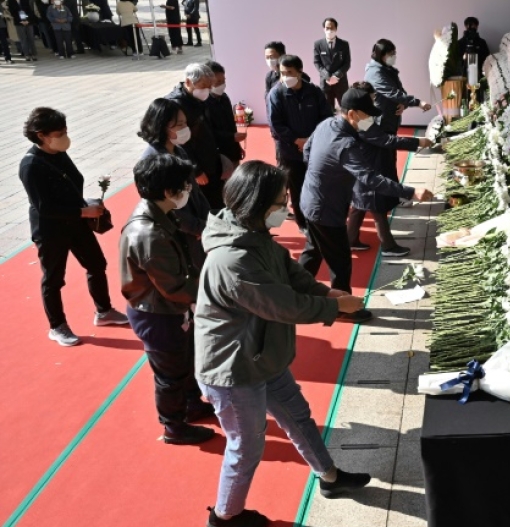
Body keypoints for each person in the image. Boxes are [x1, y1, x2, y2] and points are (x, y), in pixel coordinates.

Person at [195, 161, 371, 527]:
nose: (285, 208)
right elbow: (283, 305)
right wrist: (334, 307)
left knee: (298, 417)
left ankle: (329, 477)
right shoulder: (232, 259)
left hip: (263, 355)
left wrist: (326, 292)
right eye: (279, 202)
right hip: (234, 368)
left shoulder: (255, 235)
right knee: (246, 448)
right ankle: (226, 517)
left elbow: (291, 275)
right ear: (256, 205)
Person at [299, 88, 433, 322]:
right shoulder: (345, 143)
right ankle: (343, 309)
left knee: (313, 250)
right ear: (352, 114)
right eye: (367, 115)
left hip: (310, 199)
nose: (370, 119)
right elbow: (371, 179)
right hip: (325, 209)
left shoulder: (327, 124)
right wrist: (411, 192)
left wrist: (320, 175)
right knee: (340, 262)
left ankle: (294, 292)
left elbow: (308, 151)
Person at [119, 154, 216, 445]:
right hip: (158, 313)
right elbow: (174, 287)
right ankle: (173, 425)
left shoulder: (161, 213)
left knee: (185, 360)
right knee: (170, 372)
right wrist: (218, 289)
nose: (189, 190)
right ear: (168, 191)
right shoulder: (149, 233)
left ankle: (191, 404)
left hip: (169, 308)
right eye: (185, 185)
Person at [19, 107, 129, 347]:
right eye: (59, 132)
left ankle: (104, 311)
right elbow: (44, 207)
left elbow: (69, 184)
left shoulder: (59, 153)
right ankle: (57, 325)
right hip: (51, 230)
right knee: (54, 279)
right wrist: (82, 211)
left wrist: (88, 204)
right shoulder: (31, 166)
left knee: (96, 264)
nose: (65, 136)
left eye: (65, 130)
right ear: (41, 135)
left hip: (76, 222)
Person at [342, 81, 432, 256]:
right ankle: (388, 246)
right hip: (371, 165)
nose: (374, 101)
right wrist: (417, 141)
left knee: (359, 205)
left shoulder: (361, 117)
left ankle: (350, 239)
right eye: (372, 98)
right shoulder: (363, 121)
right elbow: (385, 139)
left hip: (365, 165)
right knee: (377, 207)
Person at [364, 39, 432, 235]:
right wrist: (416, 102)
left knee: (389, 158)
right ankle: (391, 196)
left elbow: (397, 91)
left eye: (394, 52)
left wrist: (402, 102)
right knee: (383, 160)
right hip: (381, 123)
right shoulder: (375, 72)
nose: (393, 56)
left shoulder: (386, 69)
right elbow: (390, 92)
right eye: (390, 53)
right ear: (380, 54)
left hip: (390, 120)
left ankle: (394, 195)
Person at [139, 97, 211, 270]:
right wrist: (196, 228)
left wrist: (207, 221)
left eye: (185, 123)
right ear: (161, 126)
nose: (185, 129)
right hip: (178, 234)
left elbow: (195, 191)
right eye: (178, 125)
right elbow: (167, 207)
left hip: (196, 229)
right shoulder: (154, 160)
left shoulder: (179, 150)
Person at [267, 54, 331, 231]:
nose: (285, 76)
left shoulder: (314, 92)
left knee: (317, 185)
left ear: (300, 72)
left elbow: (326, 118)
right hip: (289, 152)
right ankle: (303, 224)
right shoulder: (276, 94)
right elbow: (275, 125)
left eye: (289, 72)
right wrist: (296, 140)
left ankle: (318, 217)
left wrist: (310, 140)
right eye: (282, 73)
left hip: (314, 149)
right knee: (296, 189)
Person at [165, 63, 225, 209]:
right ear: (188, 82)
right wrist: (196, 170)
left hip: (210, 159)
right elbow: (180, 143)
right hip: (196, 168)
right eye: (204, 86)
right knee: (205, 206)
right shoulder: (175, 105)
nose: (207, 90)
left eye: (210, 87)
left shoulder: (198, 99)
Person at [204, 60, 246, 181]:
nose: (222, 85)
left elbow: (231, 124)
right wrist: (231, 137)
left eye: (223, 81)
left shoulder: (224, 97)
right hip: (217, 155)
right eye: (218, 82)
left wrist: (237, 147)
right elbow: (209, 132)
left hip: (231, 150)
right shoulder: (204, 103)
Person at [313, 17, 350, 110]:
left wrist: (337, 76)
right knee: (327, 111)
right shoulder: (318, 44)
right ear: (324, 29)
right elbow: (317, 62)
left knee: (346, 109)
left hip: (341, 83)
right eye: (327, 28)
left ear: (336, 29)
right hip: (326, 84)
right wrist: (327, 76)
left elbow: (347, 63)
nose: (329, 30)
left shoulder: (344, 44)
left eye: (332, 28)